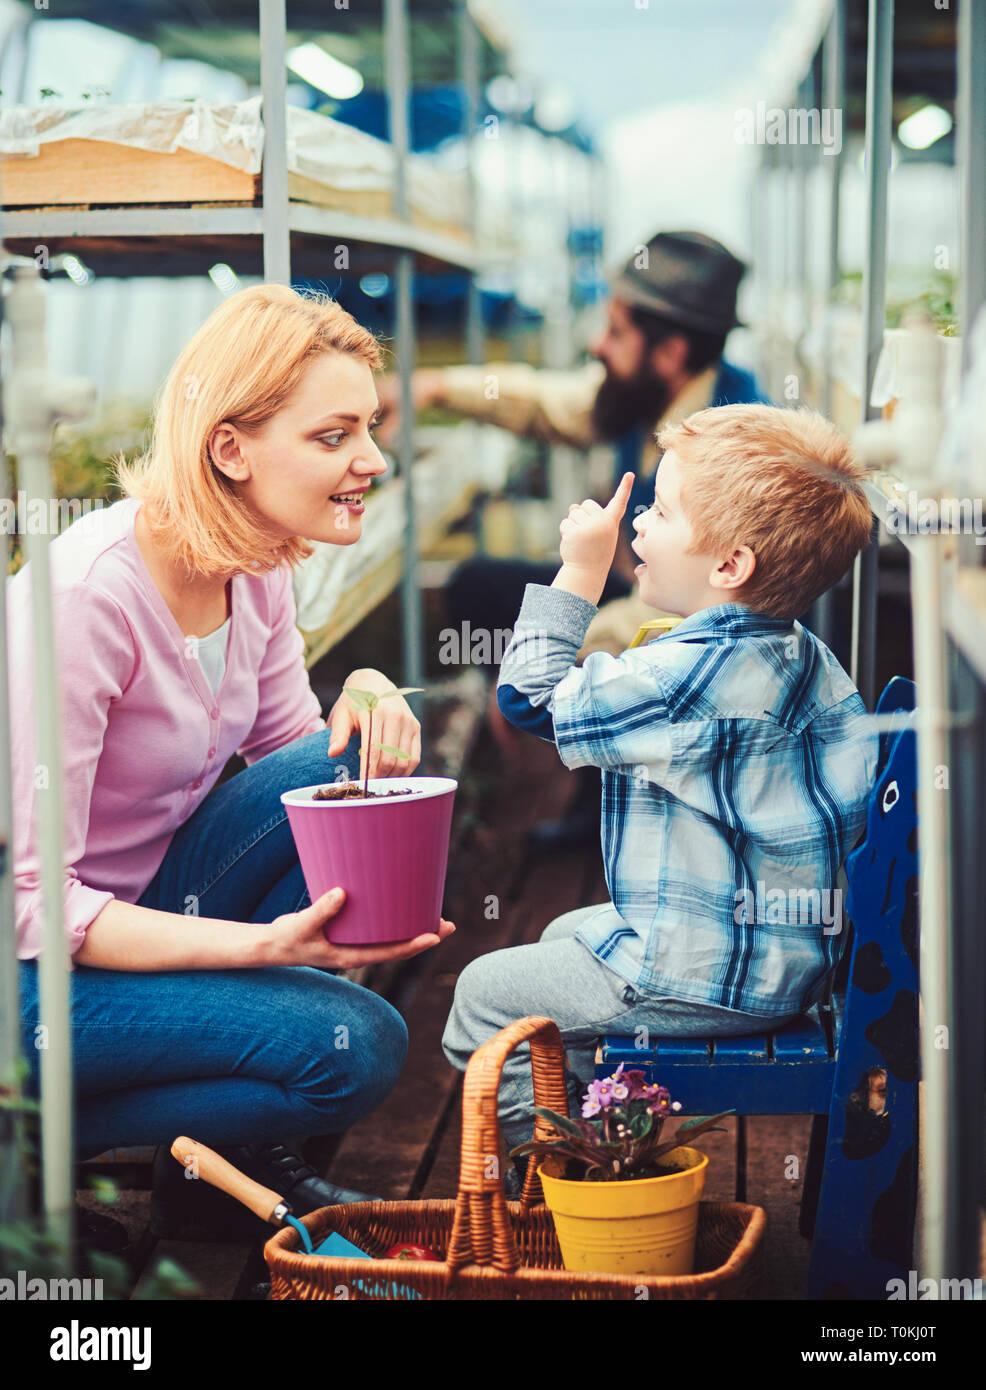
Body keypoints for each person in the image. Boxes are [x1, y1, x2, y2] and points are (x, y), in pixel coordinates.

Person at [9, 284, 455, 1249]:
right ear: (230, 448)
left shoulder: (247, 570)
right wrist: (261, 951)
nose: (371, 461)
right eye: (334, 436)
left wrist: (369, 690)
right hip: (29, 977)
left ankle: (221, 1165)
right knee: (363, 1047)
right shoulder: (87, 602)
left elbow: (302, 769)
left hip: (130, 911)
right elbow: (35, 906)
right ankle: (25, 1136)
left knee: (361, 773)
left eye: (369, 430)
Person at [441, 403, 878, 1174]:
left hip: (719, 972)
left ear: (729, 566)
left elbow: (527, 699)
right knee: (554, 943)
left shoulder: (691, 676)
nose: (638, 522)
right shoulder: (791, 645)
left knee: (482, 994)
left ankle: (543, 1185)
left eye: (662, 511)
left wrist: (578, 569)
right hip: (784, 952)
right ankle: (609, 1147)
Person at [377, 230, 771, 848]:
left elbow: (677, 617)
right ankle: (576, 772)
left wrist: (548, 663)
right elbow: (554, 403)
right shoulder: (651, 390)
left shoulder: (732, 454)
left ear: (669, 350)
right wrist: (431, 387)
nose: (596, 344)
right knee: (477, 587)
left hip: (686, 631)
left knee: (568, 643)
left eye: (614, 333)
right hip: (640, 588)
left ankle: (600, 799)